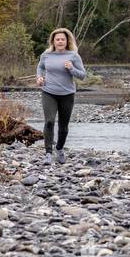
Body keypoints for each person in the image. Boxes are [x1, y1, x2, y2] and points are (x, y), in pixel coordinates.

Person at [36, 28, 86, 165]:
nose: (60, 41)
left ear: (67, 41)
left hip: (67, 94)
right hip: (48, 92)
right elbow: (40, 67)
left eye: (62, 39)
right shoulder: (46, 55)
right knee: (49, 121)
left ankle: (59, 148)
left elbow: (82, 75)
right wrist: (39, 77)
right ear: (53, 41)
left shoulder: (74, 56)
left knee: (63, 126)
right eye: (57, 39)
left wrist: (71, 68)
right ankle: (48, 153)